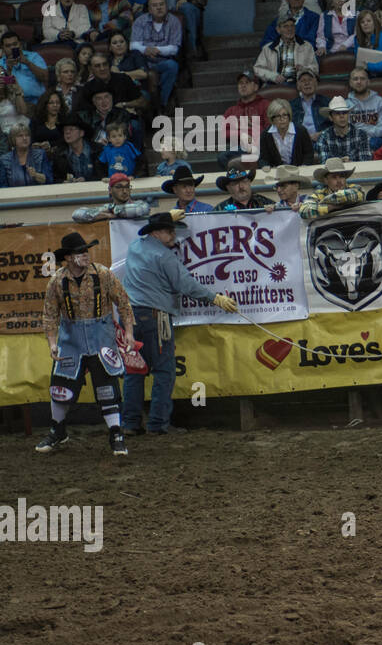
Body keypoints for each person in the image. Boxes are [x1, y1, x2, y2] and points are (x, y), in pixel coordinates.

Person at [120, 211, 240, 435]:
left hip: (129, 316)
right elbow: (185, 284)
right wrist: (215, 298)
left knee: (134, 371)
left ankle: (130, 424)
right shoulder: (165, 257)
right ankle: (157, 424)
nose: (173, 234)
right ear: (156, 232)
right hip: (156, 316)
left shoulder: (135, 246)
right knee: (164, 371)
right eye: (168, 230)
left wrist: (166, 218)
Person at [35, 232, 135, 456]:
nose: (85, 255)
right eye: (80, 252)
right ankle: (57, 430)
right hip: (71, 339)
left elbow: (124, 303)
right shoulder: (57, 281)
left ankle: (116, 433)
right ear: (68, 258)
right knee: (61, 387)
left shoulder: (103, 274)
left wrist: (128, 332)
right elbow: (50, 316)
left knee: (107, 387)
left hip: (101, 337)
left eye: (86, 251)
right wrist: (52, 343)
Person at [130, 0, 181, 107]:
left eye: (161, 4)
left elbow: (174, 49)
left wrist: (155, 50)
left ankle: (161, 104)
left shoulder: (174, 21)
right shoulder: (140, 21)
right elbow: (133, 46)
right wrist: (145, 50)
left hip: (164, 61)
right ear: (149, 9)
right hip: (143, 62)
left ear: (166, 6)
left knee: (172, 66)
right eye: (155, 5)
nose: (159, 8)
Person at [254, 17, 318, 85]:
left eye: (292, 26)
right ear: (278, 30)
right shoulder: (268, 48)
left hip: (299, 83)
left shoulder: (306, 46)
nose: (290, 29)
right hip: (275, 83)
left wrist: (304, 69)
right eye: (285, 26)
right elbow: (258, 69)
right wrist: (273, 76)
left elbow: (315, 68)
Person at [299, 157, 366, 219]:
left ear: (345, 178)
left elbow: (352, 195)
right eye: (334, 177)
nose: (339, 181)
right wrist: (332, 207)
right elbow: (304, 211)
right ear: (326, 180)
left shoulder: (356, 188)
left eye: (341, 176)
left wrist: (323, 203)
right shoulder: (319, 193)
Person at [317, 95, 373, 163]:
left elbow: (366, 162)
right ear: (331, 117)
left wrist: (351, 163)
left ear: (348, 115)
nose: (342, 116)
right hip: (334, 173)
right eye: (337, 113)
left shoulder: (361, 135)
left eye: (344, 113)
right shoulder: (324, 137)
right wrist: (340, 163)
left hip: (358, 172)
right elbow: (324, 163)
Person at [261, 99, 314, 167]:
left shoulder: (301, 131)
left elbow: (309, 154)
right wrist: (266, 167)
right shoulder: (266, 134)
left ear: (289, 116)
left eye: (284, 115)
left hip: (299, 171)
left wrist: (305, 165)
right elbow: (263, 159)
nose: (282, 119)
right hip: (276, 173)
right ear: (272, 119)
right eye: (278, 116)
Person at [1, 30, 49, 104]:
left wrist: (28, 63)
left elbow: (45, 78)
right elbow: (2, 89)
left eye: (15, 44)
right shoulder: (1, 63)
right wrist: (8, 71)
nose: (12, 48)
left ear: (20, 44)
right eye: (8, 46)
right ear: (3, 48)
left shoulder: (34, 57)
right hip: (12, 105)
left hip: (36, 102)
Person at [347, 67, 382, 146]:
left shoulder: (381, 102)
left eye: (362, 79)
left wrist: (363, 132)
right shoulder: (345, 104)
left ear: (368, 82)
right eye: (355, 79)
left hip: (375, 140)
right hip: (353, 141)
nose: (359, 82)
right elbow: (345, 129)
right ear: (350, 83)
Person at [0, 123, 52, 187]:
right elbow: (3, 187)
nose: (24, 138)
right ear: (13, 139)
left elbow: (49, 180)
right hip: (14, 196)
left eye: (27, 135)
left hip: (38, 195)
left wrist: (36, 175)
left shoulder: (40, 154)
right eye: (20, 136)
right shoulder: (4, 160)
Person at [53, 118, 102, 184]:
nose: (67, 132)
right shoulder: (59, 154)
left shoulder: (97, 150)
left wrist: (87, 180)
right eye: (65, 130)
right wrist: (63, 182)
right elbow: (55, 178)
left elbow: (104, 175)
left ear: (81, 133)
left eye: (71, 129)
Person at [354, 10, 382, 77]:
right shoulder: (357, 39)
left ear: (375, 22)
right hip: (365, 74)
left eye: (368, 21)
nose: (365, 24)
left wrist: (370, 66)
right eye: (362, 22)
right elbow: (359, 61)